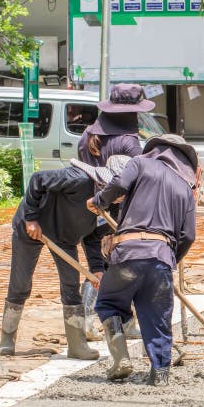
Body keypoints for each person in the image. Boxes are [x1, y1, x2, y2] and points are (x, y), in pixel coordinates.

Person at [88, 134, 198, 386]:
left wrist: (98, 200)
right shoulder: (184, 188)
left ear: (155, 150)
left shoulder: (139, 164)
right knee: (157, 318)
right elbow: (189, 235)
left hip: (128, 253)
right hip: (161, 259)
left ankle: (121, 359)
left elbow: (118, 184)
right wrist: (169, 260)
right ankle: (160, 373)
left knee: (109, 303)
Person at [0, 156, 129, 359]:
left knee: (71, 286)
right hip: (32, 229)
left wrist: (96, 269)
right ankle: (6, 340)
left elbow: (92, 236)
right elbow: (38, 179)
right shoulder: (78, 179)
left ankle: (77, 346)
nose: (122, 196)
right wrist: (31, 218)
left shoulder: (112, 205)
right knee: (20, 284)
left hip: (65, 238)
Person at [77, 83, 153, 341]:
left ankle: (86, 324)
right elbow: (137, 180)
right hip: (118, 216)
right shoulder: (129, 143)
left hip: (89, 210)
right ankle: (125, 323)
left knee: (97, 268)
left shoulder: (87, 135)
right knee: (122, 270)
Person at [77, 83, 154, 167]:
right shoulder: (129, 142)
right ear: (131, 114)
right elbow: (142, 170)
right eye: (136, 112)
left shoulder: (87, 133)